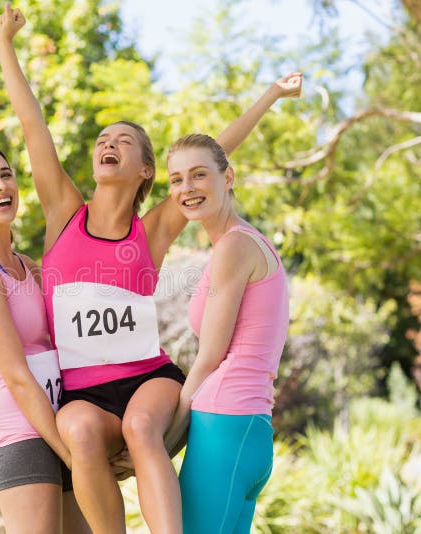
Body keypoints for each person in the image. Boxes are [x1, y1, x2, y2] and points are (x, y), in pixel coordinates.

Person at [0, 5, 301, 532]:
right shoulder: (63, 211)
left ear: (145, 169)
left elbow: (215, 154)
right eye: (101, 141)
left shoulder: (154, 229)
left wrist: (269, 96)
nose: (107, 145)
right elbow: (31, 124)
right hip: (83, 389)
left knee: (141, 426)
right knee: (81, 433)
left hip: (147, 378)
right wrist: (6, 43)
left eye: (123, 141)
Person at [0, 144, 89, 534]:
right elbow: (16, 374)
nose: (0, 185)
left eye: (6, 174)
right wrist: (75, 458)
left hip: (59, 423)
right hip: (16, 431)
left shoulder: (28, 266)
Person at [163, 133, 291, 533]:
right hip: (248, 427)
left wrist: (164, 442)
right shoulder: (247, 243)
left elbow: (210, 356)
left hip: (225, 423)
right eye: (176, 179)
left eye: (199, 175)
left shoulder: (234, 247)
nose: (187, 188)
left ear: (228, 177)